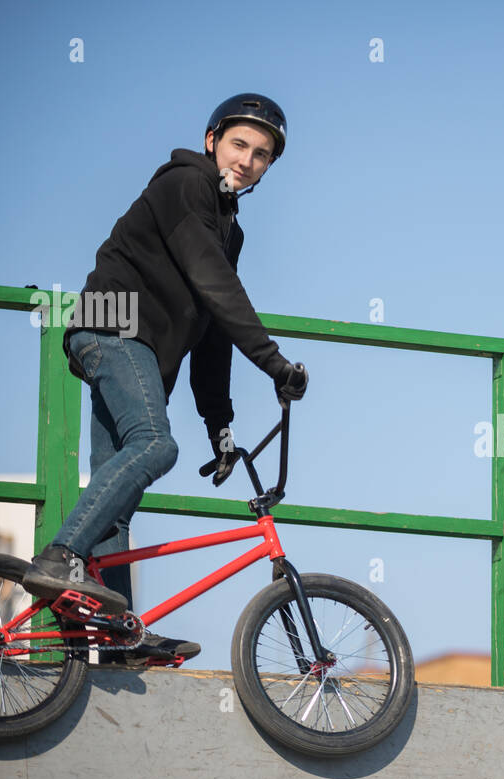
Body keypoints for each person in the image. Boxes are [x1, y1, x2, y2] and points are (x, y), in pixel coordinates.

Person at [21, 93, 307, 663]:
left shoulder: (230, 231)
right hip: (116, 328)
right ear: (211, 141)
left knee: (117, 495)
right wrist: (275, 363)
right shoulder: (185, 184)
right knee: (153, 444)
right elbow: (214, 285)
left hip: (137, 345)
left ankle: (112, 634)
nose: (247, 160)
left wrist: (220, 427)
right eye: (239, 144)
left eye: (262, 155)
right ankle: (59, 558)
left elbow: (212, 330)